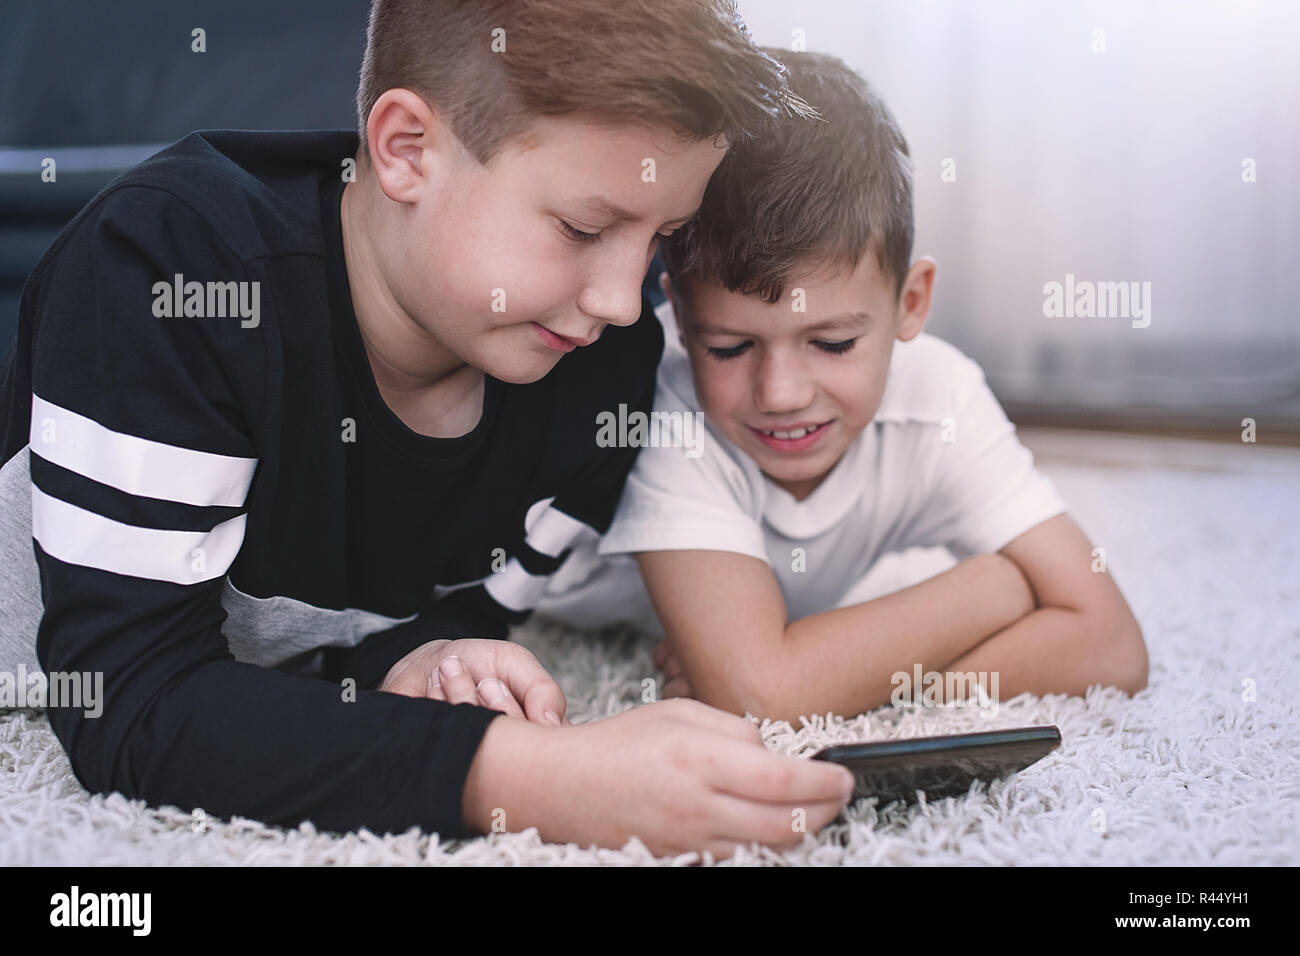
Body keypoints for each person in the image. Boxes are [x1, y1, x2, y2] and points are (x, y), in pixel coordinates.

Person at [0, 2, 855, 860]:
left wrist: (423, 662)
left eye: (662, 237)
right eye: (583, 229)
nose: (623, 301)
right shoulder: (172, 264)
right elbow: (131, 704)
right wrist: (535, 779)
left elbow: (405, 637)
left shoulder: (602, 371)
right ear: (407, 148)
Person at [538, 51, 1149, 724]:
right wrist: (994, 588)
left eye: (832, 343)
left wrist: (845, 675)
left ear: (911, 302)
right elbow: (761, 695)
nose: (781, 394)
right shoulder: (668, 405)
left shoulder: (942, 401)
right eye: (729, 346)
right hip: (539, 587)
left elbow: (1111, 645)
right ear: (676, 315)